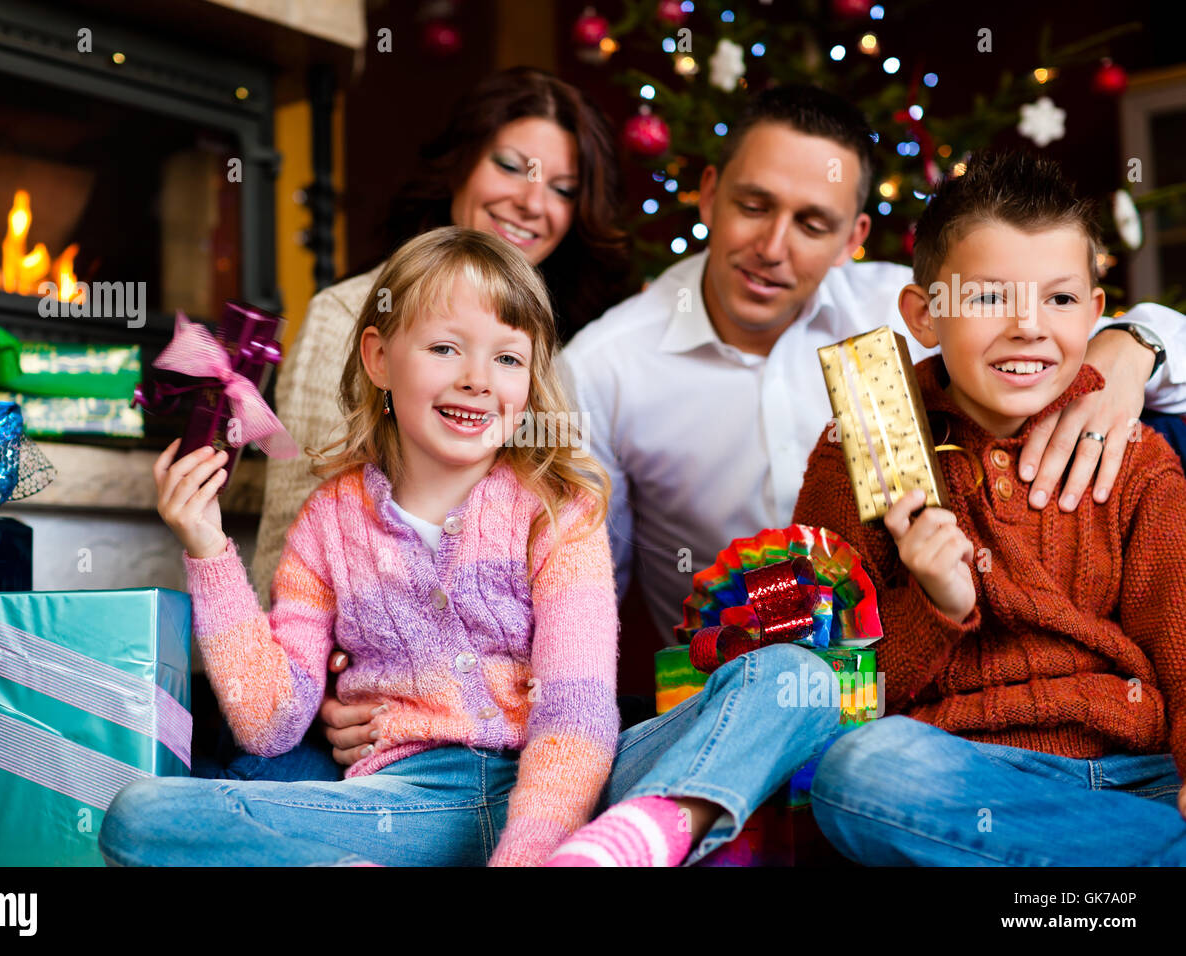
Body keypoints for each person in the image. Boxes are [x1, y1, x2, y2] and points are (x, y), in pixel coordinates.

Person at [99, 227, 841, 867]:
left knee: (790, 680)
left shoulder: (557, 511)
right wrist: (207, 550)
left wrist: (532, 852)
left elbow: (576, 717)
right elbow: (269, 722)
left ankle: (635, 840)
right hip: (415, 805)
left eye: (507, 359)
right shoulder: (328, 522)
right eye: (447, 347)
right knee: (142, 817)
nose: (477, 381)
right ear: (380, 358)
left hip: (583, 788)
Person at [557, 84, 1186, 649]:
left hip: (912, 663)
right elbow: (581, 596)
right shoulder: (605, 366)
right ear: (711, 195)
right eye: (754, 206)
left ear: (852, 238)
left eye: (812, 223)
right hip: (744, 673)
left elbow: (1060, 328)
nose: (773, 248)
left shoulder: (931, 304)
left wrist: (1133, 348)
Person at [794, 151, 1186, 866]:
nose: (1029, 327)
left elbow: (1181, 643)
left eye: (1060, 300)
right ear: (925, 316)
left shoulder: (1135, 458)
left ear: (1096, 312)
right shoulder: (858, 451)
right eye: (987, 299)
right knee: (858, 773)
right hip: (961, 776)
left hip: (1141, 776)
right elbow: (831, 693)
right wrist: (933, 604)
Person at [254, 66, 631, 607]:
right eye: (509, 166)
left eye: (562, 189)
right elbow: (290, 543)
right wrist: (331, 675)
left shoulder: (577, 339)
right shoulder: (346, 313)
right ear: (459, 164)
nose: (532, 201)